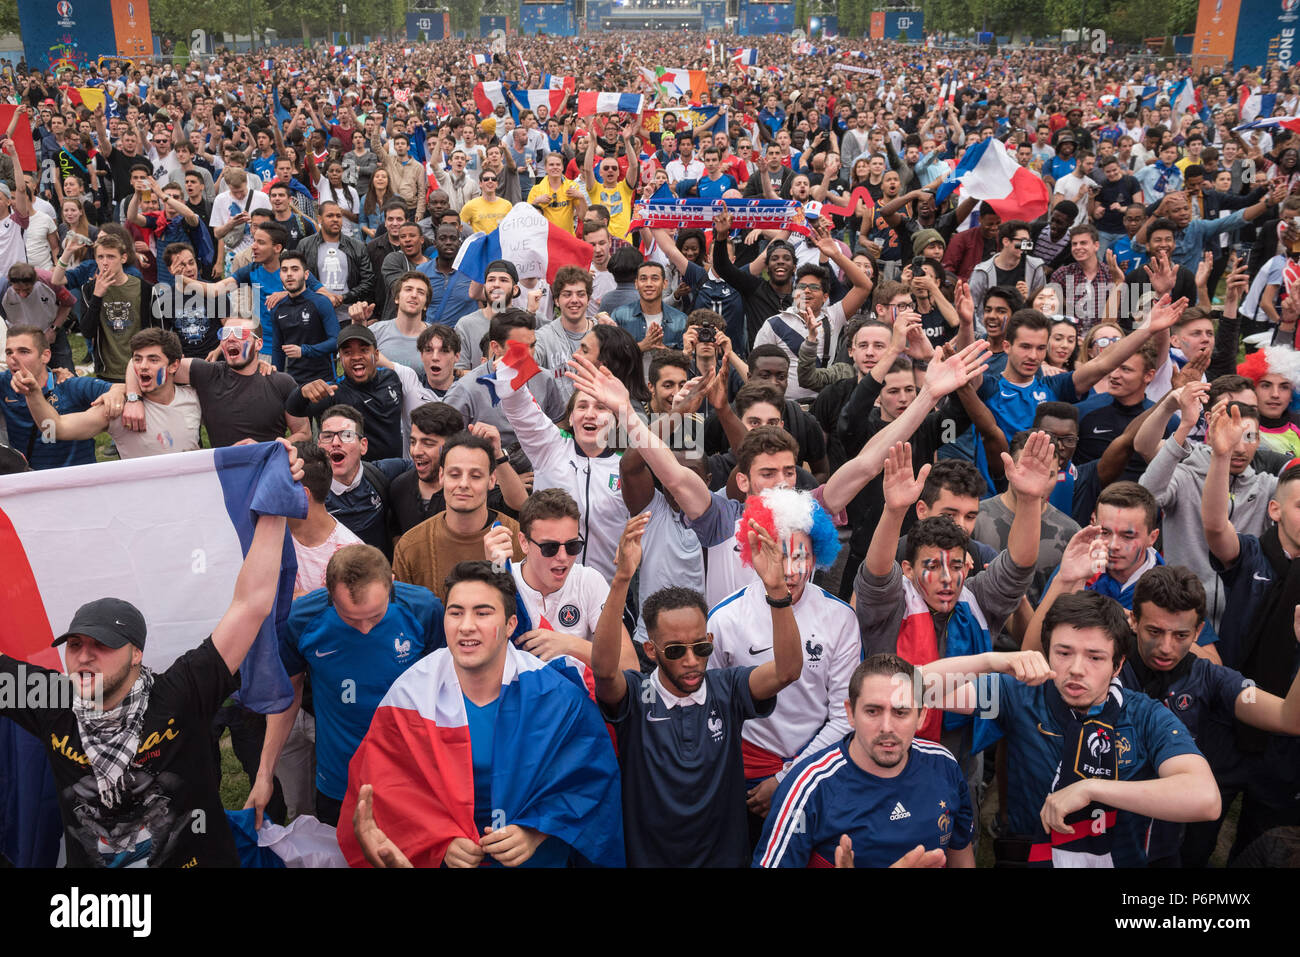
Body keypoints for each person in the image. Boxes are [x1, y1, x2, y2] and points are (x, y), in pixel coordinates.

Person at [0, 442, 303, 867]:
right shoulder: (50, 702)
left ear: (137, 653)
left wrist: (274, 504)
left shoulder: (180, 693)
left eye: (101, 646)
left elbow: (251, 604)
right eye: (74, 645)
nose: (84, 657)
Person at [340, 561, 623, 869]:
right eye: (456, 612)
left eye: (483, 613)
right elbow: (387, 791)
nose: (466, 626)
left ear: (511, 624)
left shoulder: (555, 695)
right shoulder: (410, 694)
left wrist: (537, 830)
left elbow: (590, 780)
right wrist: (439, 840)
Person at [941, 589, 1221, 867]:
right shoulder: (1020, 694)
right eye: (1064, 652)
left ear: (1117, 664)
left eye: (1094, 657)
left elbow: (1206, 799)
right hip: (1030, 856)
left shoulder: (1144, 715)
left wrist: (1092, 789)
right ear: (1047, 652)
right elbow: (910, 689)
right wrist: (990, 661)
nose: (1076, 668)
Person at [593, 511, 801, 867]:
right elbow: (603, 670)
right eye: (675, 651)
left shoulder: (727, 688)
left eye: (701, 648)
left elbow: (787, 671)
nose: (691, 660)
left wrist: (777, 592)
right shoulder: (637, 695)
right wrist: (622, 579)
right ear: (651, 650)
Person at [253, 543, 444, 828]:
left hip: (414, 773)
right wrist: (264, 774)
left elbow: (449, 687)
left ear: (391, 583)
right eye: (351, 618)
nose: (365, 628)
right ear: (328, 593)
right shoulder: (301, 620)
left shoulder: (424, 609)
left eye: (375, 616)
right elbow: (287, 695)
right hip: (340, 778)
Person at [755, 653, 976, 868]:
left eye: (900, 712)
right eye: (873, 711)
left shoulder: (944, 765)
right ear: (850, 713)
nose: (886, 727)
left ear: (921, 716)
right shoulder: (808, 788)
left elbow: (961, 853)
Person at [1202, 409, 1300, 860]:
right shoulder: (1253, 553)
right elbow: (1216, 527)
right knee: (1196, 836)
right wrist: (1220, 458)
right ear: (1276, 510)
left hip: (1287, 737)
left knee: (1267, 846)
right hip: (1228, 714)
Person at [121, 315, 310, 448]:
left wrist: (270, 447)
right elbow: (137, 362)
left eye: (239, 334)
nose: (230, 340)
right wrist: (133, 398)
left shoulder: (282, 383)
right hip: (223, 476)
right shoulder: (207, 374)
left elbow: (304, 433)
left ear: (259, 344)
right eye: (225, 335)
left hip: (268, 470)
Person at [14, 328, 200, 459]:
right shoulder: (117, 408)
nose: (143, 366)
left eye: (153, 360)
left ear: (174, 365)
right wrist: (33, 394)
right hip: (143, 506)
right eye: (137, 359)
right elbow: (56, 428)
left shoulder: (195, 398)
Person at [392, 430, 525, 601]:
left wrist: (498, 568)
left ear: (492, 480)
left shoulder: (517, 540)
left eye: (475, 476)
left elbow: (523, 612)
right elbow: (402, 617)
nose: (463, 484)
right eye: (454, 475)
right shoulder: (411, 547)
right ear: (441, 476)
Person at [285, 323, 408, 462]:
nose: (356, 357)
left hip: (397, 469)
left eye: (363, 350)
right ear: (340, 360)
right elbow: (294, 409)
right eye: (348, 353)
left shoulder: (391, 378)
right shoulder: (334, 392)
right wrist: (302, 392)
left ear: (377, 354)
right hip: (359, 477)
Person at [1, 325, 116, 469]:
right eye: (9, 352)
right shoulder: (4, 384)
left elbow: (120, 388)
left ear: (45, 356)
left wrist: (122, 394)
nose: (14, 359)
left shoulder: (69, 385)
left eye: (24, 352)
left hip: (75, 480)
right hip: (28, 480)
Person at [316, 404, 406, 555]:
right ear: (319, 446)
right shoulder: (309, 491)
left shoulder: (379, 474)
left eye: (346, 435)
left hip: (378, 573)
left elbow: (424, 468)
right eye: (327, 436)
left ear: (363, 446)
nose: (336, 442)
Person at [270, 250, 339, 384]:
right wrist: (275, 380)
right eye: (284, 270)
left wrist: (304, 350)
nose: (289, 274)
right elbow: (277, 349)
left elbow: (336, 341)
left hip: (323, 380)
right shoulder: (277, 309)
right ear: (280, 275)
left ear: (306, 274)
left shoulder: (321, 302)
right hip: (293, 382)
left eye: (295, 269)